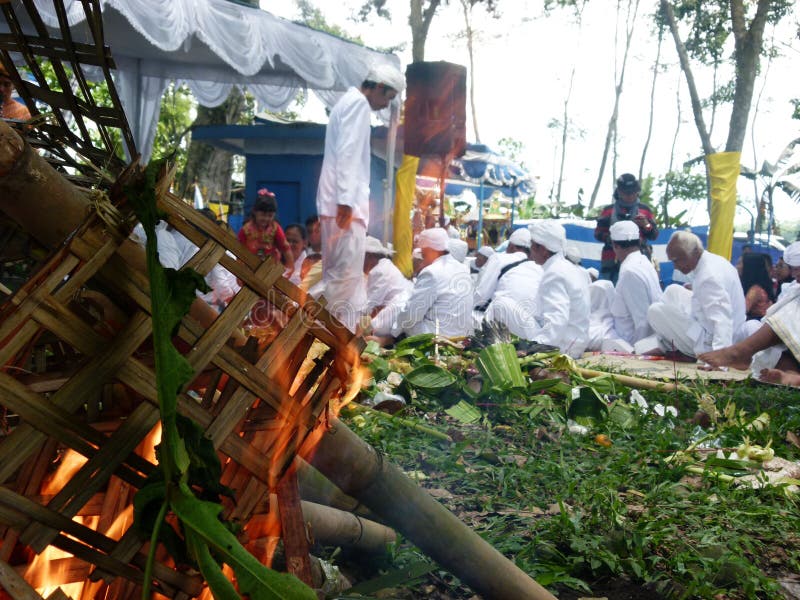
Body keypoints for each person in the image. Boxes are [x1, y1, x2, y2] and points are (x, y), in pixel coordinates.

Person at [316, 63, 405, 331]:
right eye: (387, 98)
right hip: (344, 205)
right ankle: (315, 328)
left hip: (339, 203)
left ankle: (341, 339)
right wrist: (345, 200)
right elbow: (348, 154)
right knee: (343, 280)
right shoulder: (358, 105)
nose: (383, 106)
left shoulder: (348, 102)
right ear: (378, 87)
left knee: (347, 280)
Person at [646, 231, 746, 359]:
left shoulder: (708, 277)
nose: (675, 267)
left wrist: (720, 358)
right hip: (710, 328)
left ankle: (672, 347)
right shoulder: (713, 261)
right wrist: (696, 290)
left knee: (655, 310)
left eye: (676, 261)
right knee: (673, 290)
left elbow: (722, 320)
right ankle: (667, 345)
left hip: (710, 344)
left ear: (694, 252)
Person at [517, 220, 591, 358]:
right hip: (575, 343)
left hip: (564, 348)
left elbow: (557, 319)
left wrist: (533, 349)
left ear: (543, 250)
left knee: (503, 305)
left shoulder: (555, 272)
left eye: (532, 246)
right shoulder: (568, 268)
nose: (530, 251)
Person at [390, 228, 473, 339]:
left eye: (423, 254)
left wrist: (392, 335)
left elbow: (412, 313)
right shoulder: (463, 268)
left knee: (401, 313)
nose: (422, 258)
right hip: (462, 335)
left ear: (430, 249)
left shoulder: (432, 272)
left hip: (438, 337)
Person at [593, 173, 658, 283]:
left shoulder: (645, 210)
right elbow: (598, 233)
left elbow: (654, 235)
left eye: (633, 192)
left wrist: (645, 224)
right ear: (619, 192)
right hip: (611, 264)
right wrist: (615, 238)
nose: (630, 196)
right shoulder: (608, 211)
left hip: (639, 261)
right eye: (626, 193)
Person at [479, 228, 543, 338]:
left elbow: (481, 296)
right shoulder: (539, 267)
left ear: (511, 246)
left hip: (516, 329)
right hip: (537, 329)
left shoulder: (499, 258)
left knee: (493, 306)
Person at [608, 220, 663, 345]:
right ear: (639, 242)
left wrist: (637, 353)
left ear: (615, 245)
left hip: (630, 344)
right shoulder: (644, 262)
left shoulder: (630, 272)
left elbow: (643, 321)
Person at [362, 236, 412, 336]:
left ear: (369, 256)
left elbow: (369, 306)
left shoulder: (379, 271)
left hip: (400, 310)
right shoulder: (383, 266)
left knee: (368, 330)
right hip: (400, 309)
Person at [237, 189, 293, 270]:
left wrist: (290, 267)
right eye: (263, 215)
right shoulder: (246, 229)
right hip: (249, 268)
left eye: (270, 216)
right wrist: (239, 270)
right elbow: (239, 250)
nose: (266, 218)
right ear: (255, 212)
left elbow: (285, 247)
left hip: (271, 269)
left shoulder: (275, 228)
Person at [740, 252, 775, 319]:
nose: (738, 266)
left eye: (740, 263)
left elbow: (741, 311)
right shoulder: (759, 286)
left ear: (749, 267)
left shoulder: (755, 290)